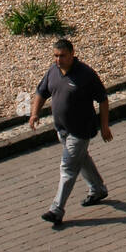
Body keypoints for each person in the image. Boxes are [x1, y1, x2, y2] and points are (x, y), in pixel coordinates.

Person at [28, 38, 112, 226]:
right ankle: (98, 189)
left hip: (80, 131)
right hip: (62, 130)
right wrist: (34, 114)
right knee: (81, 159)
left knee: (67, 168)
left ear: (72, 54)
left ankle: (56, 210)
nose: (59, 60)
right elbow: (41, 92)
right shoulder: (53, 71)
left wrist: (104, 126)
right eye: (56, 56)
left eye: (62, 56)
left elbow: (103, 99)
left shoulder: (86, 75)